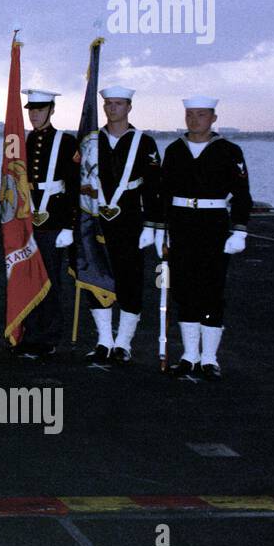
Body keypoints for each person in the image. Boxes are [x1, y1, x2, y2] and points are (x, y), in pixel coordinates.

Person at [161, 96, 252, 380]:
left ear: (213, 118)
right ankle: (189, 356)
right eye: (189, 114)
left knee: (211, 291)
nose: (194, 120)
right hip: (181, 225)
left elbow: (241, 195)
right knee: (185, 291)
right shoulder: (174, 150)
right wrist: (157, 229)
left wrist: (239, 230)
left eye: (201, 114)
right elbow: (163, 193)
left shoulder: (229, 151)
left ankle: (209, 358)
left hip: (213, 226)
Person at [84, 86, 163, 364]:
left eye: (118, 104)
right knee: (97, 280)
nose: (112, 108)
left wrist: (153, 225)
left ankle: (123, 344)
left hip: (130, 221)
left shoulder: (144, 143)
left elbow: (154, 188)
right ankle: (104, 340)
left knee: (130, 281)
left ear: (129, 107)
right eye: (108, 103)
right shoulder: (92, 140)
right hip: (97, 223)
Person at [19, 89, 80, 359]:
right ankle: (30, 333)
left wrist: (69, 225)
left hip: (53, 220)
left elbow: (74, 185)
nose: (34, 114)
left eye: (40, 110)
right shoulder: (24, 141)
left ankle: (48, 337)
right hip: (27, 220)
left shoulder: (66, 142)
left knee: (51, 281)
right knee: (28, 279)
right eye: (31, 110)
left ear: (52, 110)